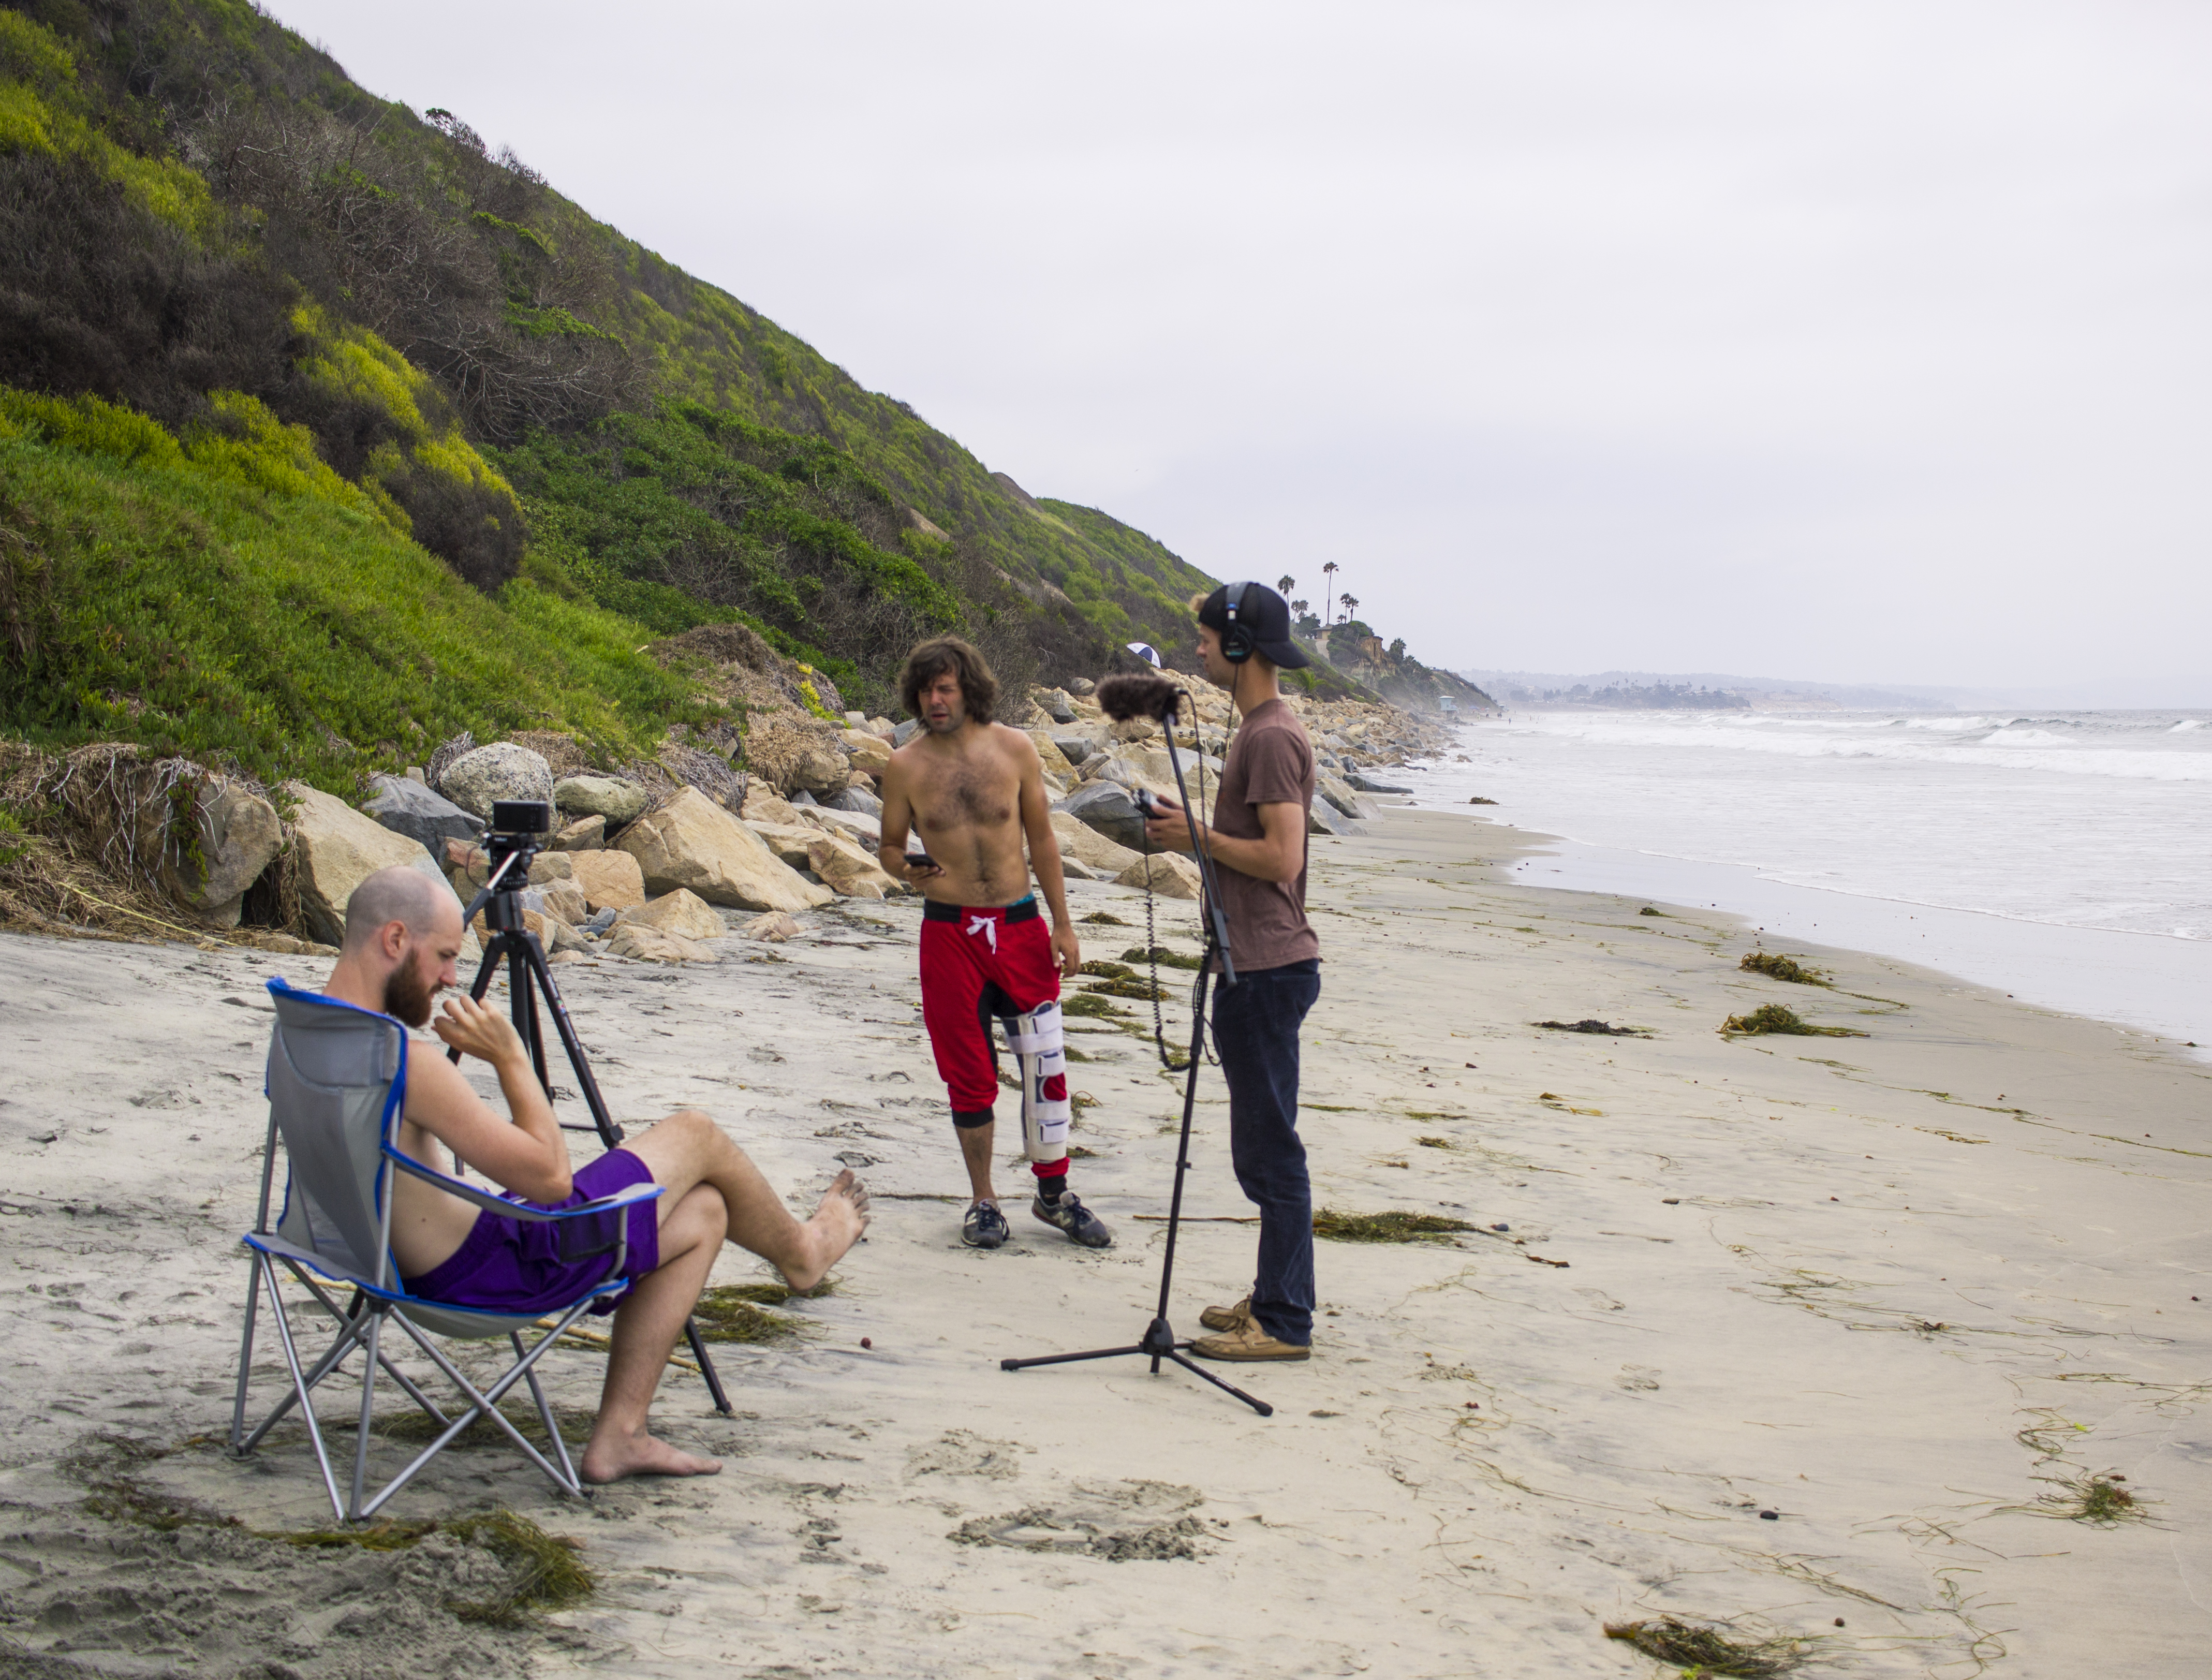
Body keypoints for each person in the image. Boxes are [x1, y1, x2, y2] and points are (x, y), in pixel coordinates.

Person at [320, 866, 871, 1483]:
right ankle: (802, 1250)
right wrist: (511, 1060)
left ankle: (621, 1436)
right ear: (395, 939)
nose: (451, 977)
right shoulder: (403, 1063)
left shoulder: (306, 1030)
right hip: (495, 1271)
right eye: (445, 956)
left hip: (381, 1263)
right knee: (695, 1133)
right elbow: (552, 1182)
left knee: (706, 1211)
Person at [876, 636, 1112, 1251]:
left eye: (946, 688)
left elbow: (1042, 843)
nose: (934, 699)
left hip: (1017, 925)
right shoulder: (905, 765)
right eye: (926, 689)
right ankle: (983, 1201)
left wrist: (1063, 925)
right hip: (948, 932)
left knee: (1044, 1059)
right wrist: (906, 868)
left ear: (969, 689)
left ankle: (1053, 1193)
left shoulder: (1015, 750)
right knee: (968, 1072)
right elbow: (889, 848)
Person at [1141, 583, 1321, 1362]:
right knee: (1260, 1145)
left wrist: (1195, 836)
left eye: (1209, 638)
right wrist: (1194, 834)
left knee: (1269, 1151)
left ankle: (1283, 1319)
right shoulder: (1256, 731)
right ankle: (1277, 1289)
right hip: (1254, 964)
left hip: (1269, 969)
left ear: (1242, 645)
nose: (1199, 650)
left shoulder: (1270, 738)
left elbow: (1283, 858)